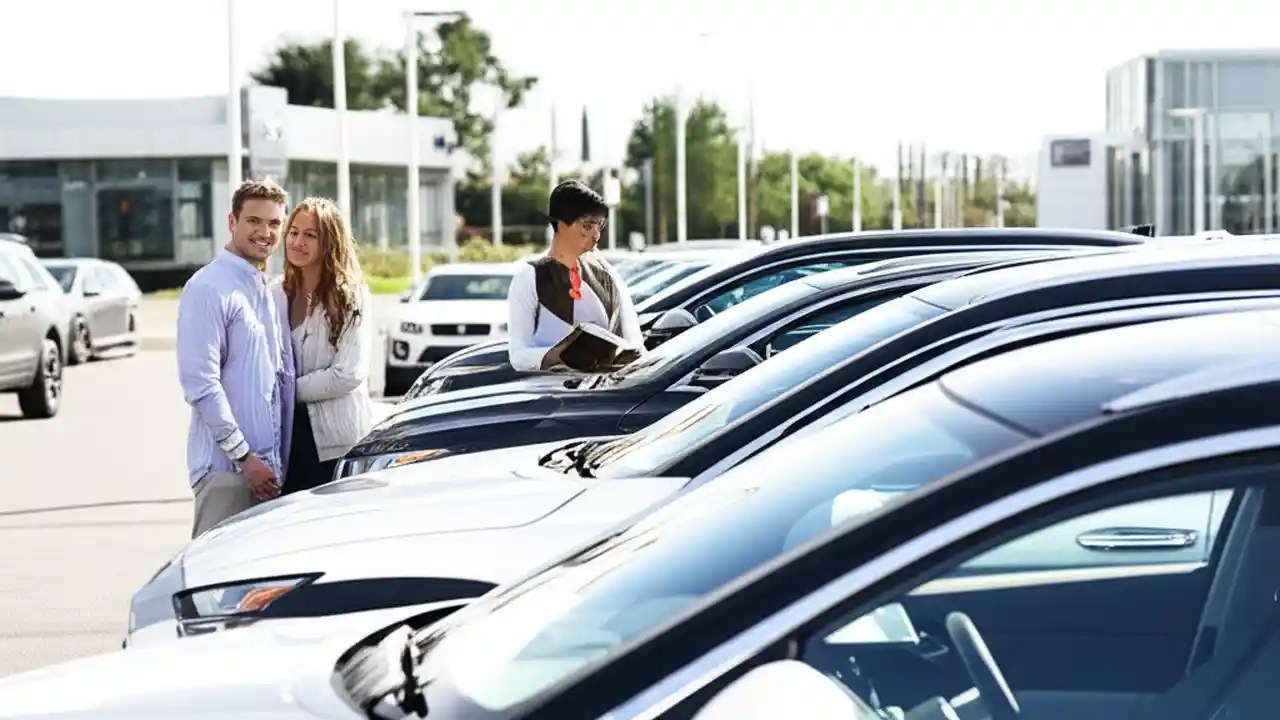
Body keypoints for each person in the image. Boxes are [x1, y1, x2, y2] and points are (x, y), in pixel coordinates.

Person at [177, 180, 295, 538]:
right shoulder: (209, 287)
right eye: (254, 221)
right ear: (232, 221)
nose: (265, 232)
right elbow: (201, 384)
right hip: (228, 473)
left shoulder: (264, 288)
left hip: (268, 473)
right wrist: (245, 459)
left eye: (274, 224)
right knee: (214, 587)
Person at [279, 197, 374, 493]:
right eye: (293, 232)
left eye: (310, 234)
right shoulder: (276, 293)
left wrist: (286, 391)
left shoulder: (351, 295)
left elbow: (348, 373)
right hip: (285, 438)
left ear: (330, 242)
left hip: (336, 443)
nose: (298, 241)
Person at [507, 180, 643, 371]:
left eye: (600, 226)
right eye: (587, 226)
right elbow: (518, 355)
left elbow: (634, 341)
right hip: (549, 393)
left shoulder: (606, 274)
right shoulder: (530, 276)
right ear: (561, 224)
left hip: (605, 391)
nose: (596, 235)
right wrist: (564, 355)